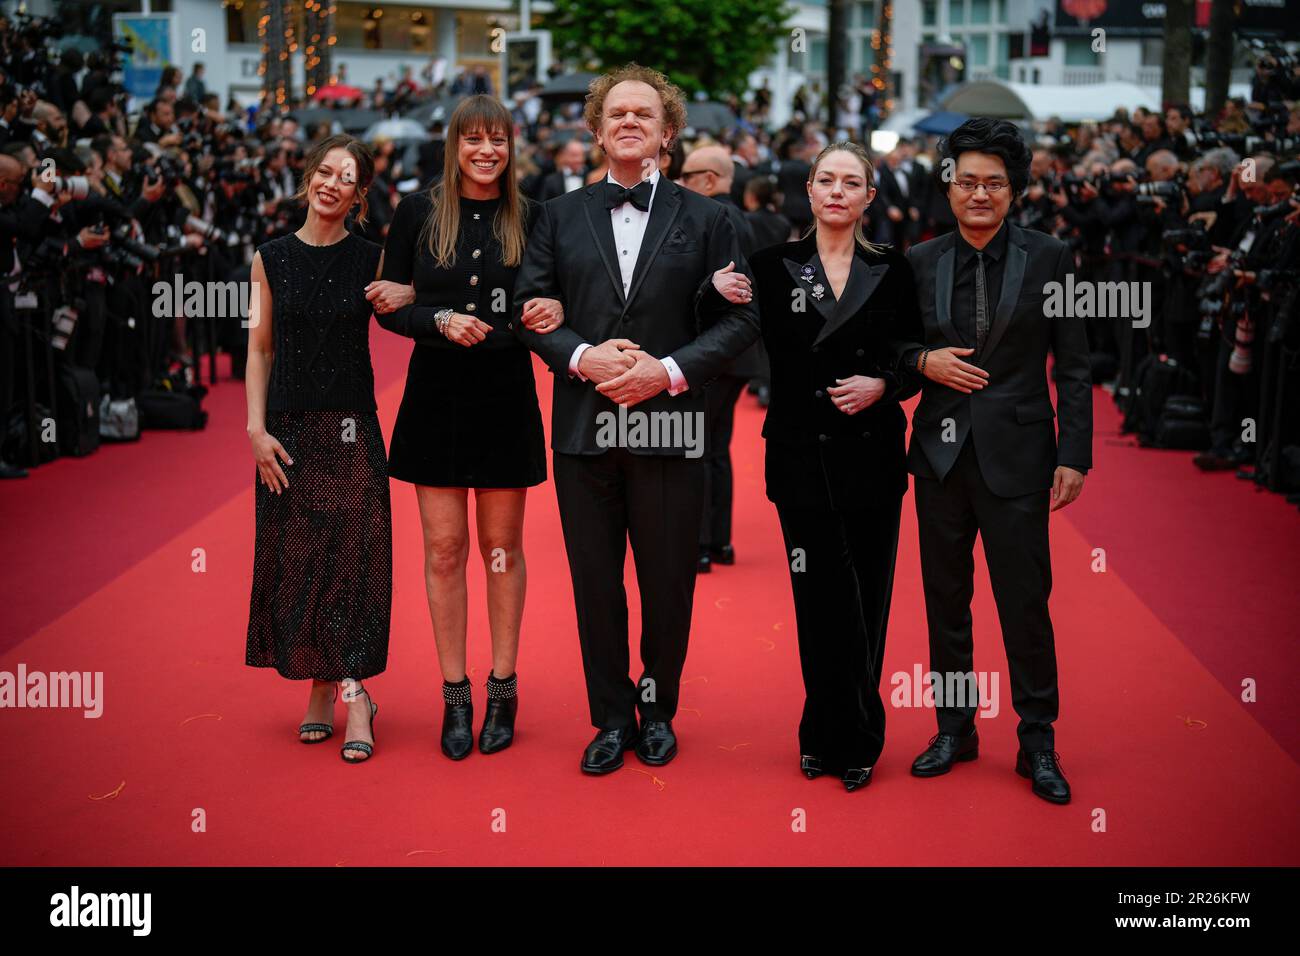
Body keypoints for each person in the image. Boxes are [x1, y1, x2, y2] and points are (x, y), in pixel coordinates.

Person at [512, 64, 760, 774]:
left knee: (667, 579)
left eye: (643, 115)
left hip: (670, 420)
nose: (629, 122)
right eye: (616, 113)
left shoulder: (712, 219)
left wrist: (669, 370)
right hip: (585, 424)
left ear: (668, 133)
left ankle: (658, 710)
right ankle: (612, 717)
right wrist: (582, 355)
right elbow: (530, 310)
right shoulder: (555, 216)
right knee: (595, 580)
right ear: (594, 130)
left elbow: (743, 317)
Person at [898, 118, 1093, 803]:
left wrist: (1076, 454)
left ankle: (1037, 738)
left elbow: (1074, 364)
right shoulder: (919, 260)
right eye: (967, 181)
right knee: (946, 600)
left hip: (1020, 455)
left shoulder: (1053, 257)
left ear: (1015, 192)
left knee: (1024, 601)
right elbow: (893, 358)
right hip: (939, 456)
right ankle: (955, 728)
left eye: (995, 183)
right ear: (949, 187)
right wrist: (922, 360)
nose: (979, 194)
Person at [368, 95, 562, 760]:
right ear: (454, 144)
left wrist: (543, 313)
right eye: (474, 139)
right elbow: (387, 303)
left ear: (512, 147)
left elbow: (549, 301)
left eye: (499, 139)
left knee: (500, 550)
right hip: (435, 397)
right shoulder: (417, 212)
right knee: (444, 552)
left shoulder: (534, 216)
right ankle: (455, 694)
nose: (487, 151)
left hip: (506, 395)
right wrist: (436, 319)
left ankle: (503, 685)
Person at [751, 141, 923, 791]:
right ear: (810, 190)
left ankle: (857, 735)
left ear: (869, 198)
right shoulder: (770, 266)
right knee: (816, 598)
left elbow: (912, 351)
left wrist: (884, 383)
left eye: (852, 183)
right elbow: (726, 326)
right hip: (799, 451)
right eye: (826, 179)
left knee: (864, 598)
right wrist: (714, 290)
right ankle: (821, 730)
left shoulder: (894, 269)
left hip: (873, 450)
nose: (836, 191)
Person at [245, 134, 389, 764]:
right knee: (301, 563)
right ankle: (321, 688)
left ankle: (356, 693)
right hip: (290, 430)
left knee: (354, 560)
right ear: (309, 180)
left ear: (359, 196)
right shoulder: (269, 258)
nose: (333, 184)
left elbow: (408, 306)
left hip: (354, 427)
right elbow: (260, 348)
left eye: (347, 178)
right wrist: (256, 430)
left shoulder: (372, 260)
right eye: (324, 172)